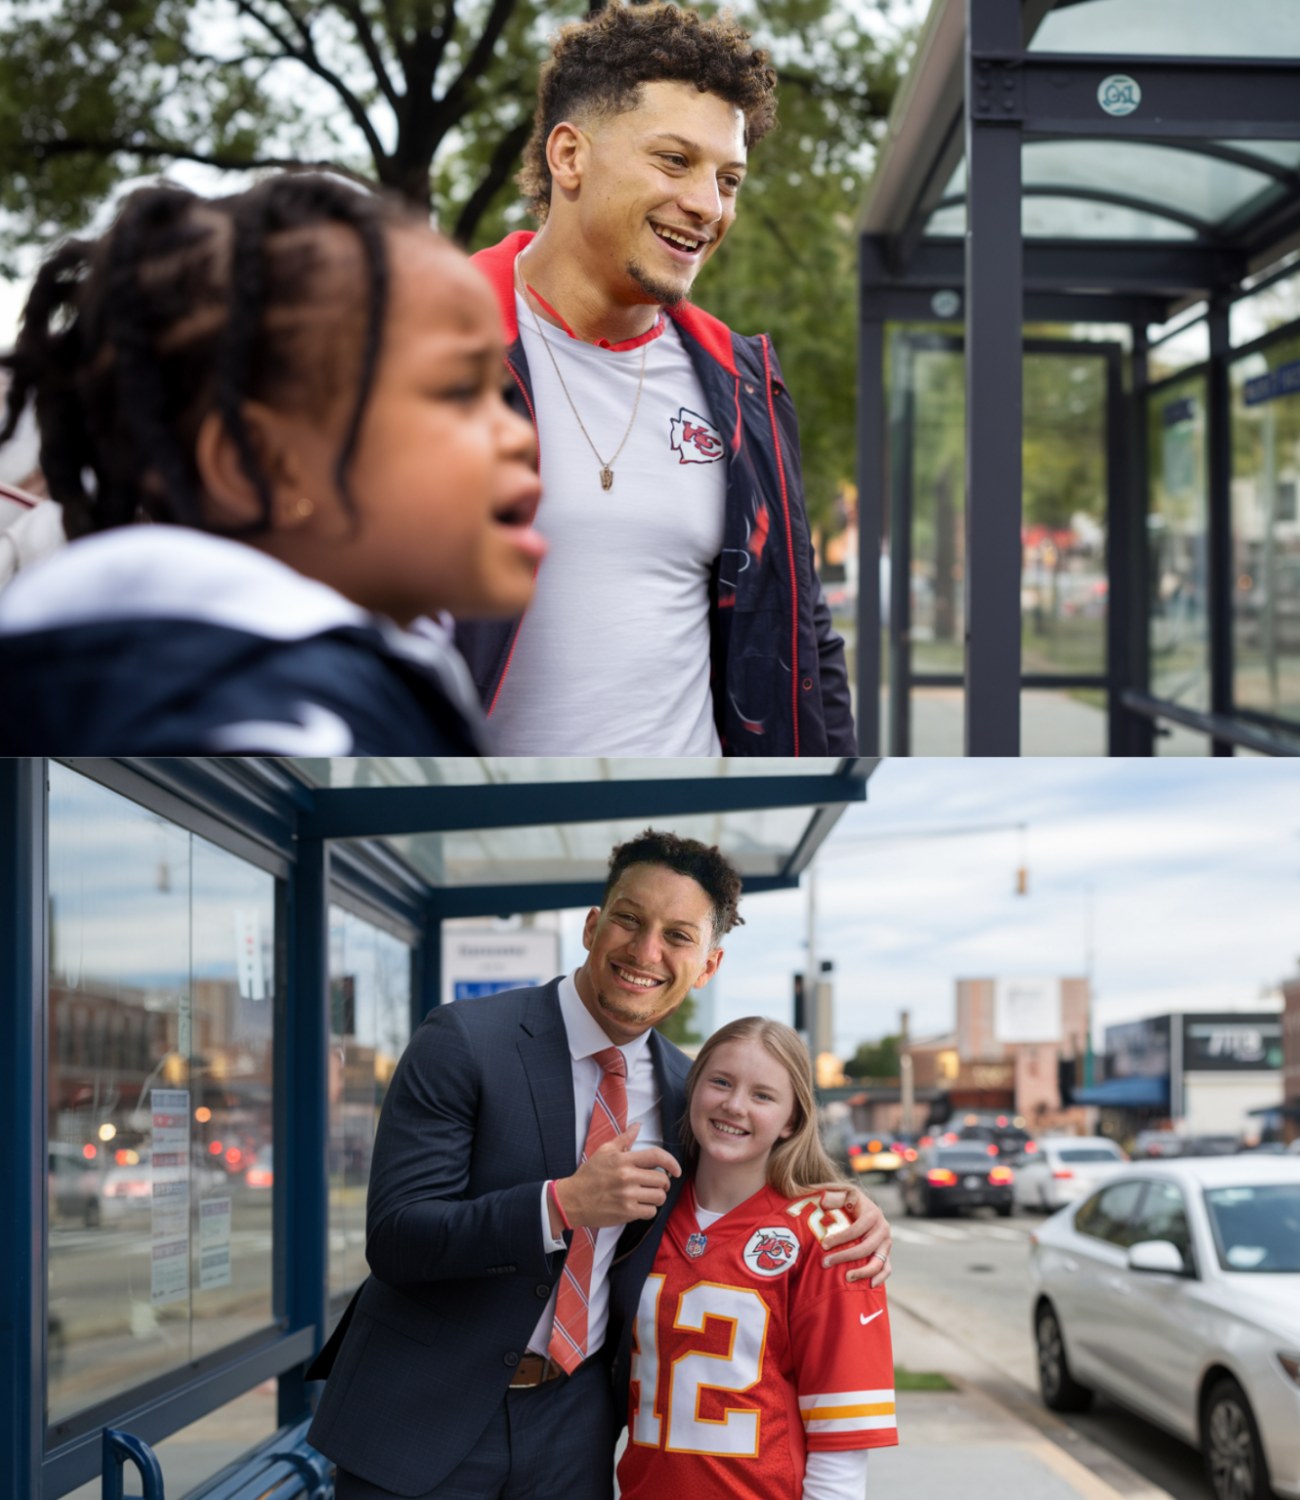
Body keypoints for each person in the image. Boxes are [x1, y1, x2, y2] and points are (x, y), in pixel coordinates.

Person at [306, 829, 891, 1500]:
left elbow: (748, 1177)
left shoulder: (687, 1093)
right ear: (592, 925)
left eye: (678, 936)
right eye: (629, 920)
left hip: (574, 1426)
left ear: (708, 966)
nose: (646, 952)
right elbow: (397, 1237)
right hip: (419, 1420)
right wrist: (558, 1207)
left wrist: (849, 1207)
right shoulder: (465, 1041)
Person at [0, 171, 545, 753]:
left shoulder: (364, 680)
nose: (522, 436)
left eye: (500, 392)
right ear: (257, 465)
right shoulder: (273, 720)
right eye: (459, 391)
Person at [457, 3, 856, 757]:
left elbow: (804, 637)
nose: (708, 206)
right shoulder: (422, 348)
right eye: (675, 161)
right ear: (568, 157)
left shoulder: (746, 388)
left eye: (728, 178)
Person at [613, 1017, 898, 1500]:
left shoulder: (831, 1234)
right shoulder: (642, 1212)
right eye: (721, 1082)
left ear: (792, 1119)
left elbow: (840, 1446)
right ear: (693, 1087)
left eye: (763, 1095)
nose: (734, 1105)